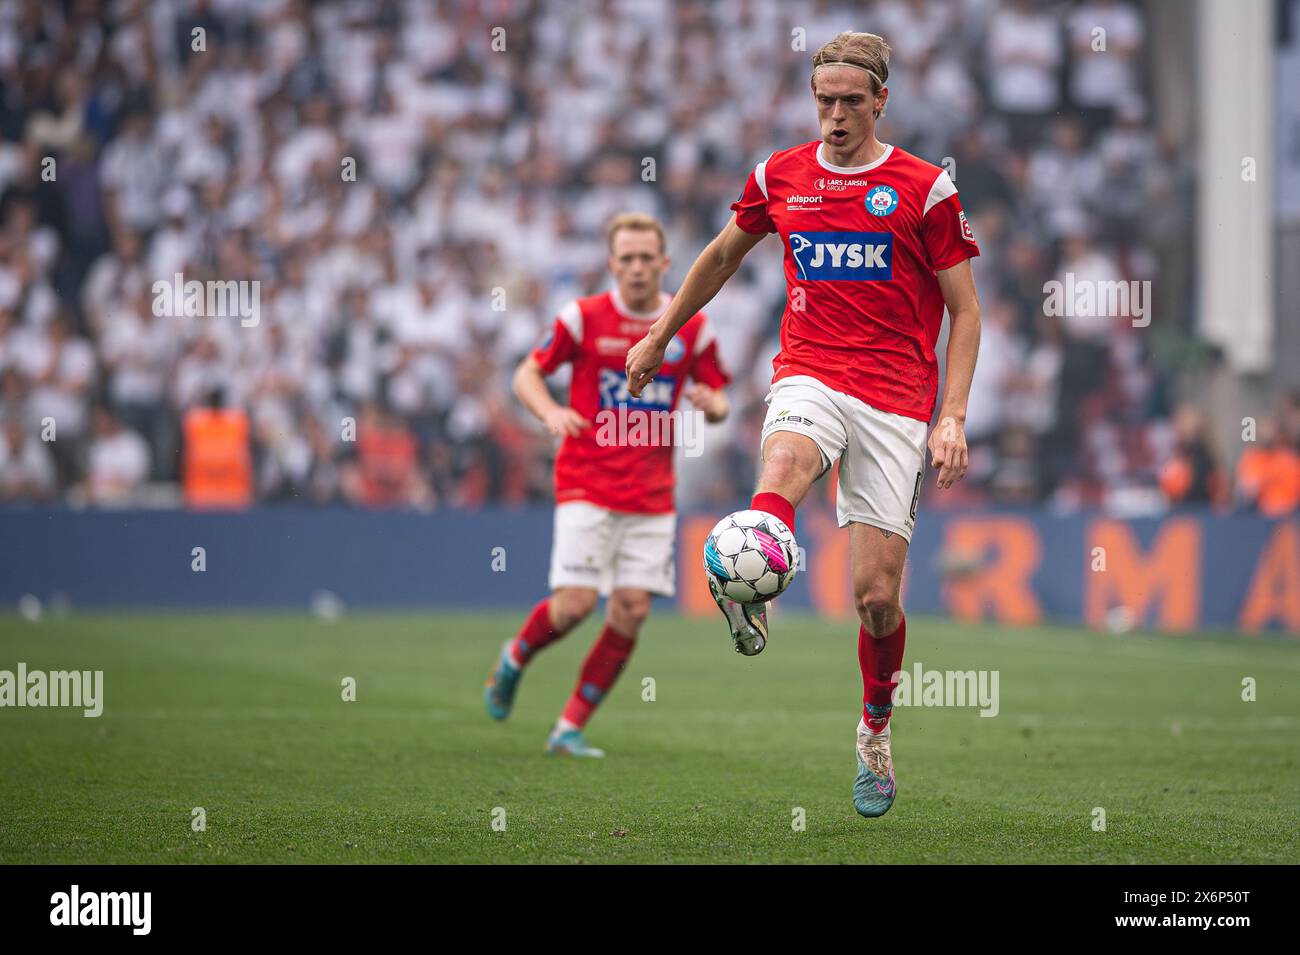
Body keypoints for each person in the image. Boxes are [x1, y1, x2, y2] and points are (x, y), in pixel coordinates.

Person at [624, 32, 981, 817]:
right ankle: (749, 580)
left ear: (880, 101)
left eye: (853, 101)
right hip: (809, 373)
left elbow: (964, 309)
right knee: (781, 466)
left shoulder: (925, 190)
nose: (837, 115)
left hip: (896, 397)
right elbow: (721, 257)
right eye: (825, 101)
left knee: (875, 599)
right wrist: (660, 334)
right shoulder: (778, 175)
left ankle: (875, 733)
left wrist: (950, 415)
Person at [485, 212, 731, 757]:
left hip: (651, 495)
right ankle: (514, 658)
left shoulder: (690, 324)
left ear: (665, 264)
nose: (638, 268)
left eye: (648, 258)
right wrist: (550, 412)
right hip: (586, 484)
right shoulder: (582, 317)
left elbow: (719, 397)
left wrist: (713, 406)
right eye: (628, 259)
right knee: (573, 606)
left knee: (632, 610)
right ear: (611, 264)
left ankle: (568, 726)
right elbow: (526, 373)